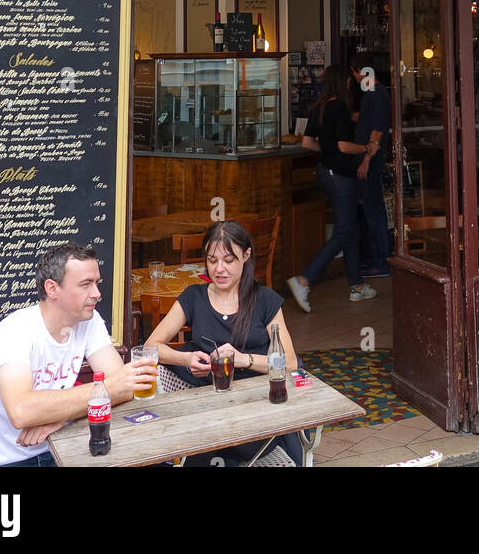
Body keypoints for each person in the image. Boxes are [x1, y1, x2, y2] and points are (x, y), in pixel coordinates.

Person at [0, 242, 155, 467]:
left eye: (97, 283)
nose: (97, 294)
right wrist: (106, 390)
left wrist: (62, 418)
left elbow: (126, 388)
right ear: (52, 288)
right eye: (85, 285)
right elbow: (21, 411)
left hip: (58, 445)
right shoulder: (15, 332)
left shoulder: (88, 321)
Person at [148, 221, 302, 464]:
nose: (219, 269)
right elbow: (150, 347)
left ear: (246, 256)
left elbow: (290, 363)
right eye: (212, 260)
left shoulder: (264, 300)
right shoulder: (194, 297)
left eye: (228, 260)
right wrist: (186, 358)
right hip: (209, 413)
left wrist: (243, 360)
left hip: (257, 410)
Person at [287, 65, 377, 312]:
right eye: (349, 82)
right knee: (343, 231)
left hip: (325, 173)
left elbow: (307, 143)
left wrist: (326, 155)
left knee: (349, 229)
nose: (351, 85)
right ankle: (304, 279)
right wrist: (367, 148)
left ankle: (357, 285)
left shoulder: (318, 108)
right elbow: (344, 146)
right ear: (342, 84)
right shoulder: (340, 109)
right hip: (341, 176)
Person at [350, 52, 392, 280]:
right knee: (373, 211)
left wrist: (366, 159)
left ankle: (381, 262)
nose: (355, 78)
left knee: (374, 212)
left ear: (360, 71)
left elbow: (376, 132)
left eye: (355, 72)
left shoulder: (375, 94)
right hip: (370, 159)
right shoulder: (373, 94)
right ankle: (379, 260)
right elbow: (366, 120)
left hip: (371, 161)